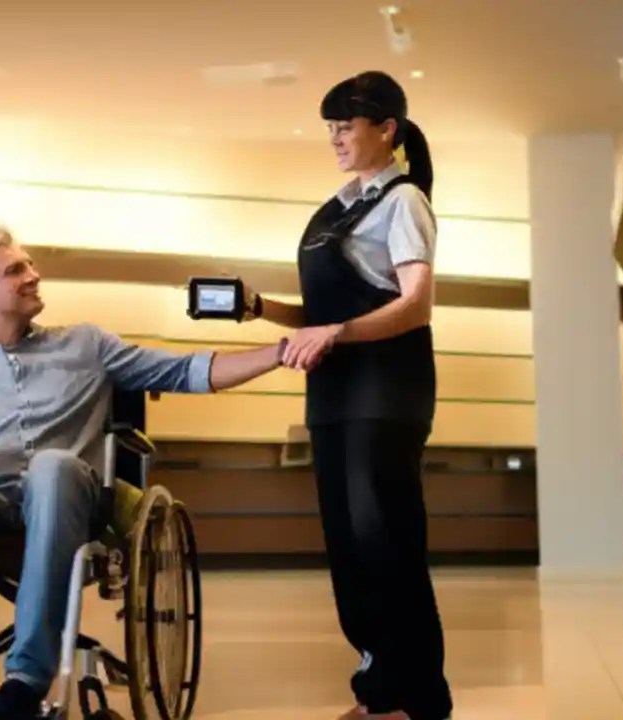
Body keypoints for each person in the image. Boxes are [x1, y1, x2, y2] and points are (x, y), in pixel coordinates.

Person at [0, 215, 287, 718]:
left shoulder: (86, 345)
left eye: (30, 264)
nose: (33, 274)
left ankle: (26, 679)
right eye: (14, 270)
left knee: (53, 466)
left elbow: (185, 370)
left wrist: (278, 352)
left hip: (69, 500)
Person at [244, 71, 452, 720]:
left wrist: (336, 331)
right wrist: (259, 308)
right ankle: (377, 685)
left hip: (387, 393)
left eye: (346, 126)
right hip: (334, 397)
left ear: (386, 130)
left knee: (384, 542)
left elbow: (415, 305)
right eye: (330, 127)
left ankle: (413, 696)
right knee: (348, 548)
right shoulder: (338, 207)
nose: (334, 138)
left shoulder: (404, 202)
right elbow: (321, 312)